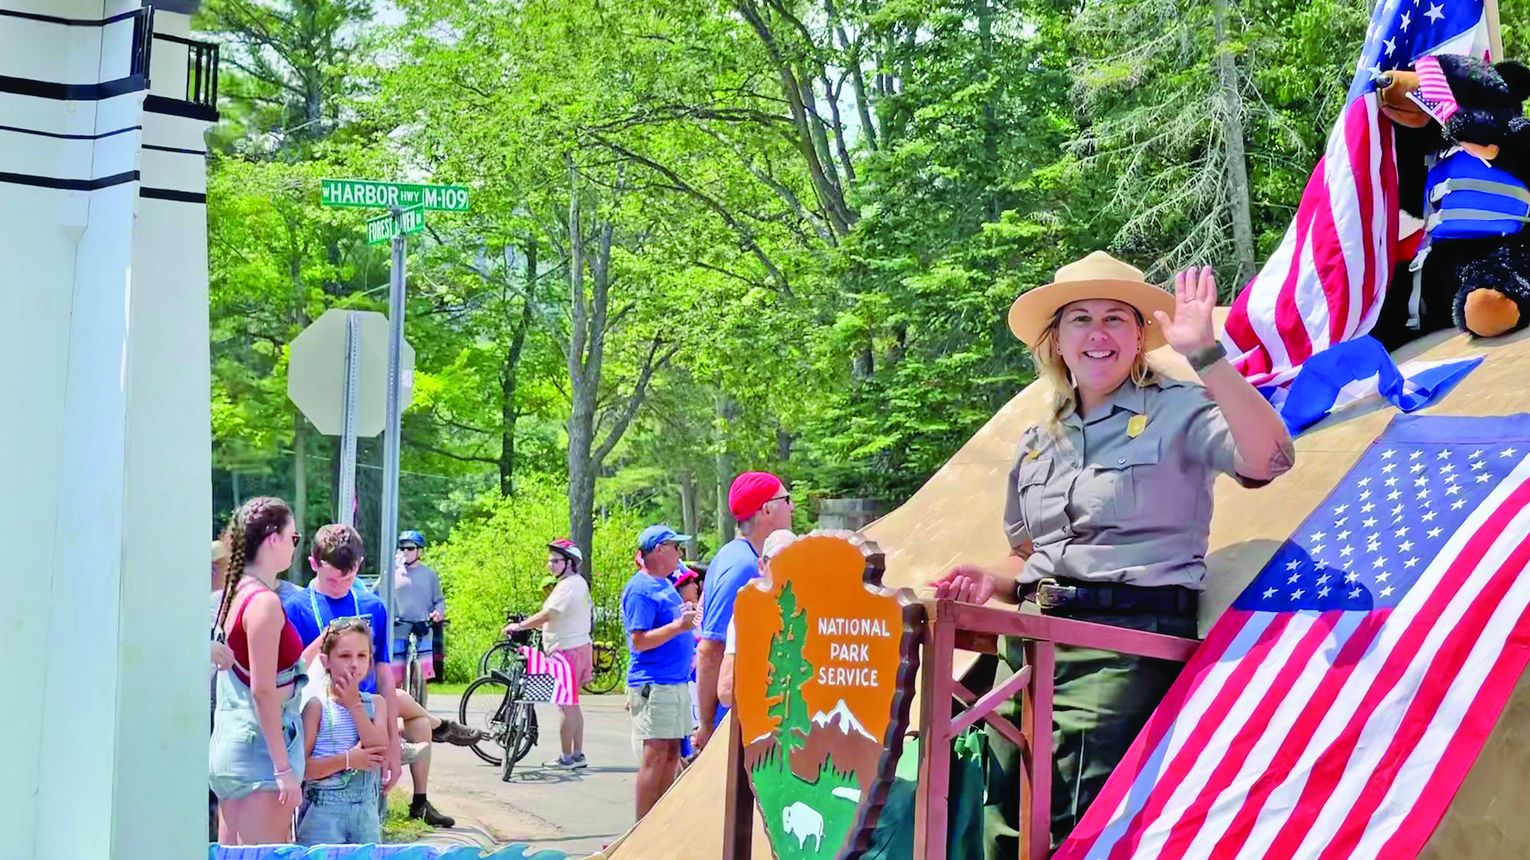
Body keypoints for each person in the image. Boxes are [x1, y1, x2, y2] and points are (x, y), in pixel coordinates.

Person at [933, 254, 1295, 851]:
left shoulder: (1177, 408)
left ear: (1137, 338)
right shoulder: (1037, 441)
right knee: (997, 816)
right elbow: (1030, 556)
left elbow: (1270, 460)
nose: (1097, 335)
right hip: (1027, 643)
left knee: (1069, 817)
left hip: (1121, 642)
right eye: (1080, 319)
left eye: (1115, 320)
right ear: (1056, 340)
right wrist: (990, 580)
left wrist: (1208, 356)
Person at [285, 523, 475, 828]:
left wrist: (392, 747)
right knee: (319, 823)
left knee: (368, 821)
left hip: (367, 722)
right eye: (332, 579)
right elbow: (289, 672)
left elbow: (385, 677)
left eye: (348, 578)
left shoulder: (373, 606)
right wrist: (323, 640)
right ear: (313, 564)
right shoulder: (294, 607)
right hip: (320, 722)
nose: (340, 586)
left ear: (359, 565)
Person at [209, 497, 307, 845]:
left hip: (233, 748)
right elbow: (262, 690)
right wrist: (283, 769)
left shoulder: (234, 595)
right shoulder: (263, 602)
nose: (295, 547)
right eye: (293, 538)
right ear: (273, 539)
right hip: (261, 754)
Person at [695, 471, 794, 751]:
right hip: (731, 720)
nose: (793, 507)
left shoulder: (732, 554)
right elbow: (711, 649)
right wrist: (705, 724)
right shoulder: (745, 567)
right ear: (767, 509)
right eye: (787, 500)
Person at [622, 525, 699, 819]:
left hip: (674, 682)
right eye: (675, 547)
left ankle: (660, 822)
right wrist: (678, 627)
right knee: (655, 756)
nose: (679, 554)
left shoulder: (665, 584)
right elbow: (639, 641)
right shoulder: (640, 589)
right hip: (654, 684)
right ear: (658, 550)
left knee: (670, 754)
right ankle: (642, 831)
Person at [295, 618, 390, 845]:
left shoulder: (375, 704)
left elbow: (379, 750)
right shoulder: (317, 706)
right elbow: (303, 769)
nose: (354, 664)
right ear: (326, 661)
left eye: (362, 656)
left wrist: (355, 706)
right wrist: (348, 759)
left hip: (365, 814)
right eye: (345, 656)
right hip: (323, 814)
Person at [505, 538, 594, 770]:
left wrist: (521, 626)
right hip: (576, 646)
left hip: (567, 650)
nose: (551, 566)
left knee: (565, 704)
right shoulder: (576, 583)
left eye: (556, 561)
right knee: (573, 703)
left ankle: (566, 757)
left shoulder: (569, 585)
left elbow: (549, 614)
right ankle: (577, 754)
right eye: (550, 561)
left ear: (571, 563)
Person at [717, 528, 795, 711]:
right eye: (777, 561)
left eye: (792, 560)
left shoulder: (820, 613)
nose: (784, 567)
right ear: (762, 566)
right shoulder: (746, 615)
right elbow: (726, 692)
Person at [377, 529, 445, 690]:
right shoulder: (393, 573)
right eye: (402, 548)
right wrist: (390, 570)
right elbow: (377, 591)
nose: (406, 552)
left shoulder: (429, 575)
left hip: (423, 626)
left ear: (419, 551)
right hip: (399, 627)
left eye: (410, 548)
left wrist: (438, 612)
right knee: (395, 673)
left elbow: (439, 600)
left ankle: (419, 702)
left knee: (422, 673)